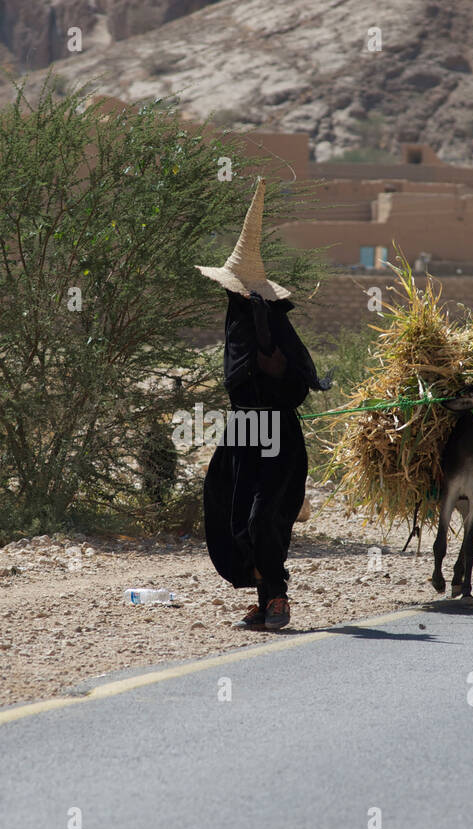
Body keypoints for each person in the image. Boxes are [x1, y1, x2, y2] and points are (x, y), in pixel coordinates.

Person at [198, 179, 329, 631]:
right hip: (243, 433)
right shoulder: (240, 328)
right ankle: (261, 598)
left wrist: (278, 374)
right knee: (233, 513)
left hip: (278, 436)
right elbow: (237, 382)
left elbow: (297, 389)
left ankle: (279, 598)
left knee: (264, 515)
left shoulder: (274, 333)